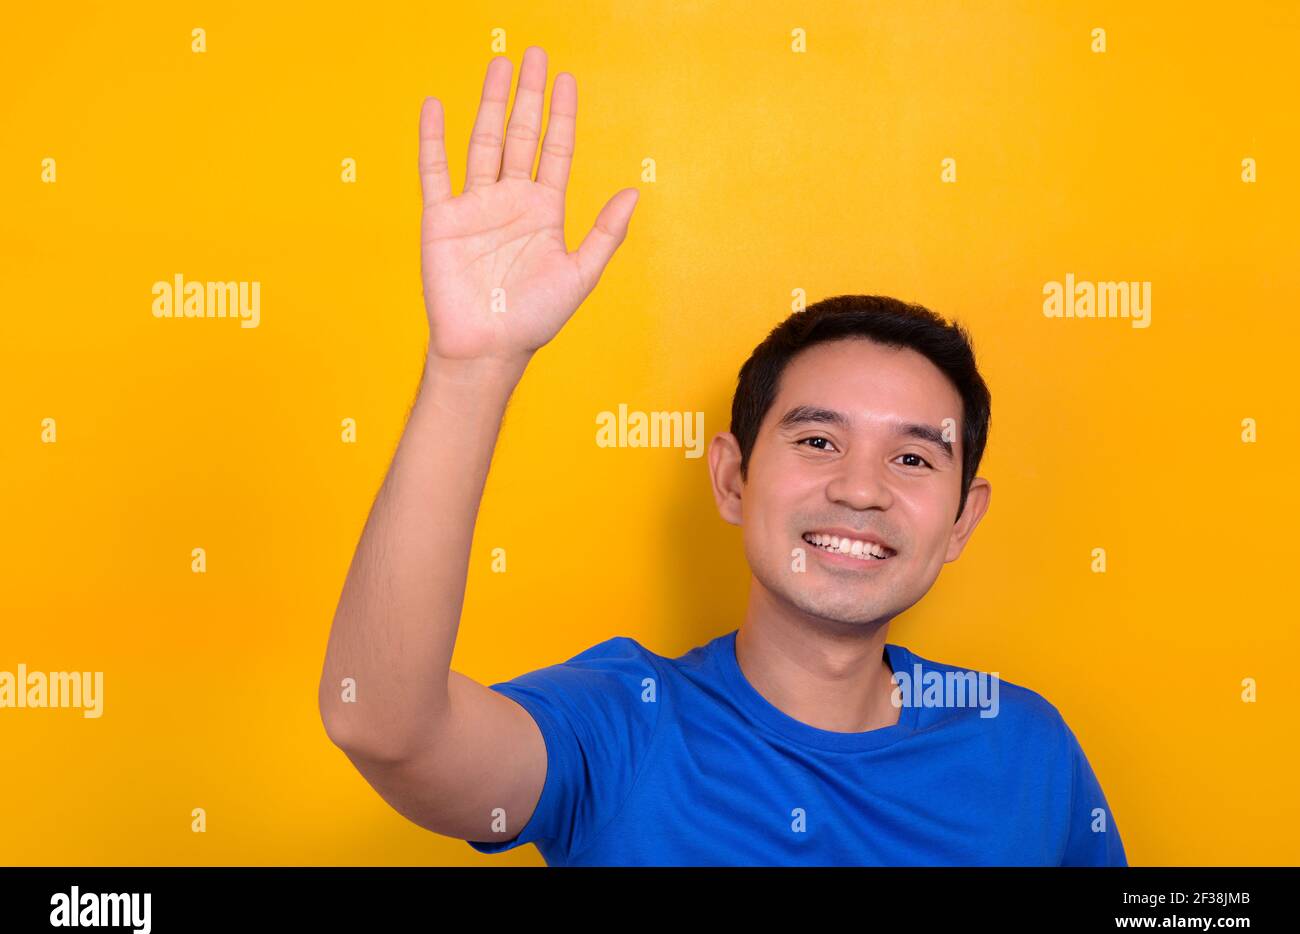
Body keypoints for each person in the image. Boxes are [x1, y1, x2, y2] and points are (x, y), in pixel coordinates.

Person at [317, 45, 1127, 866]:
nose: (860, 489)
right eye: (817, 440)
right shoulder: (623, 726)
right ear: (732, 478)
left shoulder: (1024, 752)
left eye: (914, 459)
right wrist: (472, 368)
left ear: (962, 519)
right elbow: (380, 724)